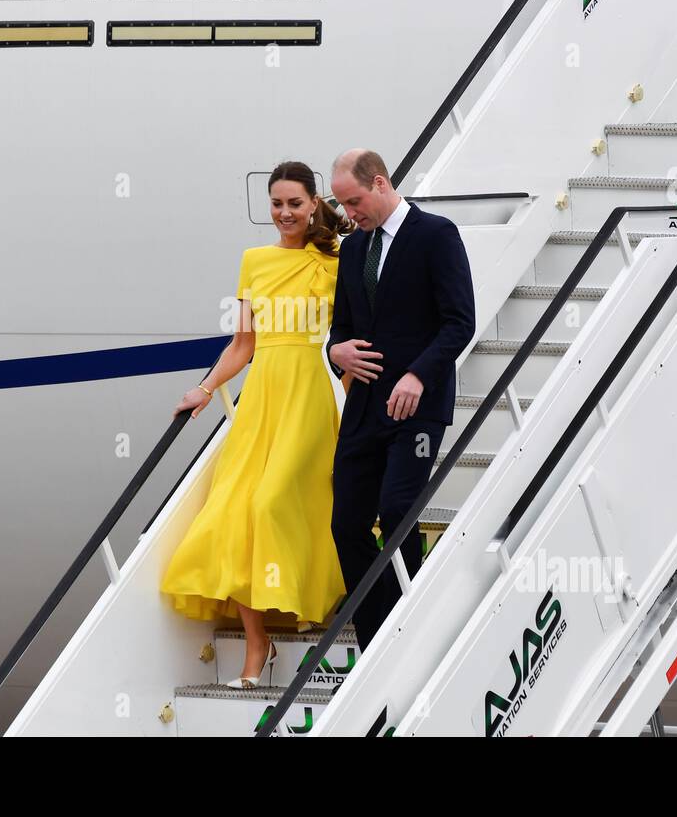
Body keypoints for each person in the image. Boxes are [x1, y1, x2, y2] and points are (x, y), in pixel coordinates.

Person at [160, 161, 355, 688]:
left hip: (311, 392)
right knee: (235, 510)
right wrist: (203, 389)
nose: (285, 213)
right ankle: (257, 644)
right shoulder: (254, 261)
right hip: (263, 395)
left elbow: (357, 332)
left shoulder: (337, 258)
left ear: (315, 203)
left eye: (295, 203)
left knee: (273, 502)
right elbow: (243, 345)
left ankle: (327, 597)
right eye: (276, 204)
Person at [325, 149, 475, 653]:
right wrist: (335, 351)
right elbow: (341, 329)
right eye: (344, 206)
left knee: (396, 511)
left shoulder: (436, 235)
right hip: (365, 407)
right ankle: (379, 635)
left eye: (355, 202)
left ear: (381, 183)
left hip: (416, 407)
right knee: (345, 523)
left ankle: (410, 622)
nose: (350, 214)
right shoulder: (352, 250)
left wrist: (418, 375)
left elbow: (459, 322)